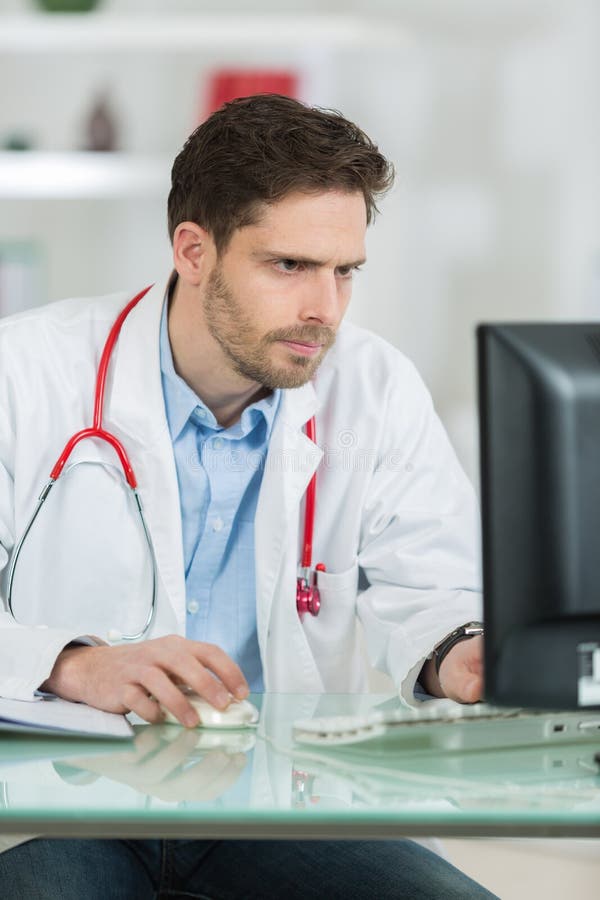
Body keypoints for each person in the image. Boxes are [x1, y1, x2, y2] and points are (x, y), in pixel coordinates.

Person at [0, 94, 495, 898]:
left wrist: (459, 654)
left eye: (345, 272)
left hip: (281, 808)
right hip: (63, 803)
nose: (324, 311)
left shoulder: (373, 388)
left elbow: (433, 589)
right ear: (194, 251)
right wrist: (71, 665)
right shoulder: (23, 372)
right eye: (289, 266)